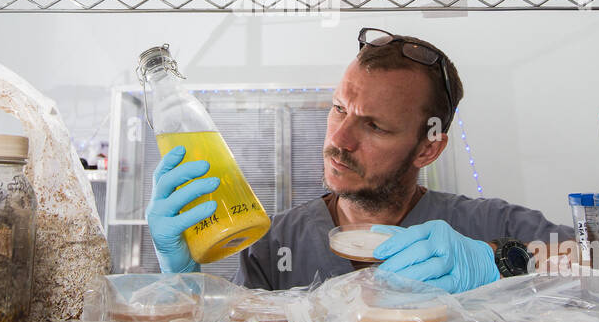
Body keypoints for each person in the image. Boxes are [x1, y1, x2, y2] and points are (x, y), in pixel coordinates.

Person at [146, 27, 575, 290]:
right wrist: (180, 281)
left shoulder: (487, 224)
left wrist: (501, 261)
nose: (339, 139)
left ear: (429, 147)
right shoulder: (278, 242)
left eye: (374, 126)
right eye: (338, 109)